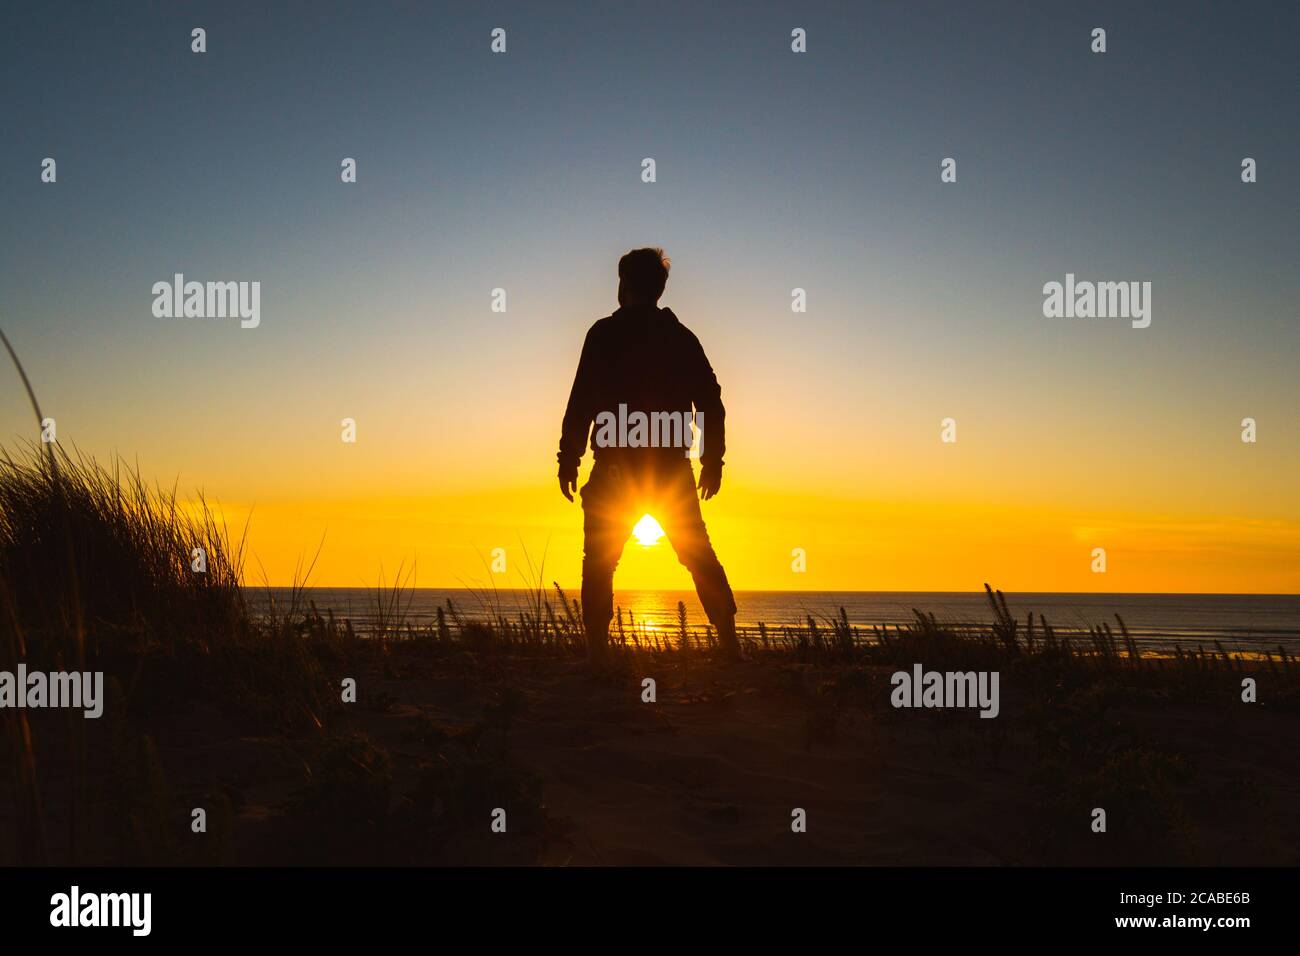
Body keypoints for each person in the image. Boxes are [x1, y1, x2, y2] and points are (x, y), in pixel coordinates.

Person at [557, 248, 740, 664]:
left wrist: (569, 458)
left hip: (620, 469)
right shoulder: (680, 337)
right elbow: (711, 402)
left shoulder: (604, 334)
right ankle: (730, 646)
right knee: (697, 554)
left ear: (624, 284)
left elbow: (581, 400)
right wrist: (713, 461)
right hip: (667, 470)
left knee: (600, 560)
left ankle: (597, 653)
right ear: (658, 289)